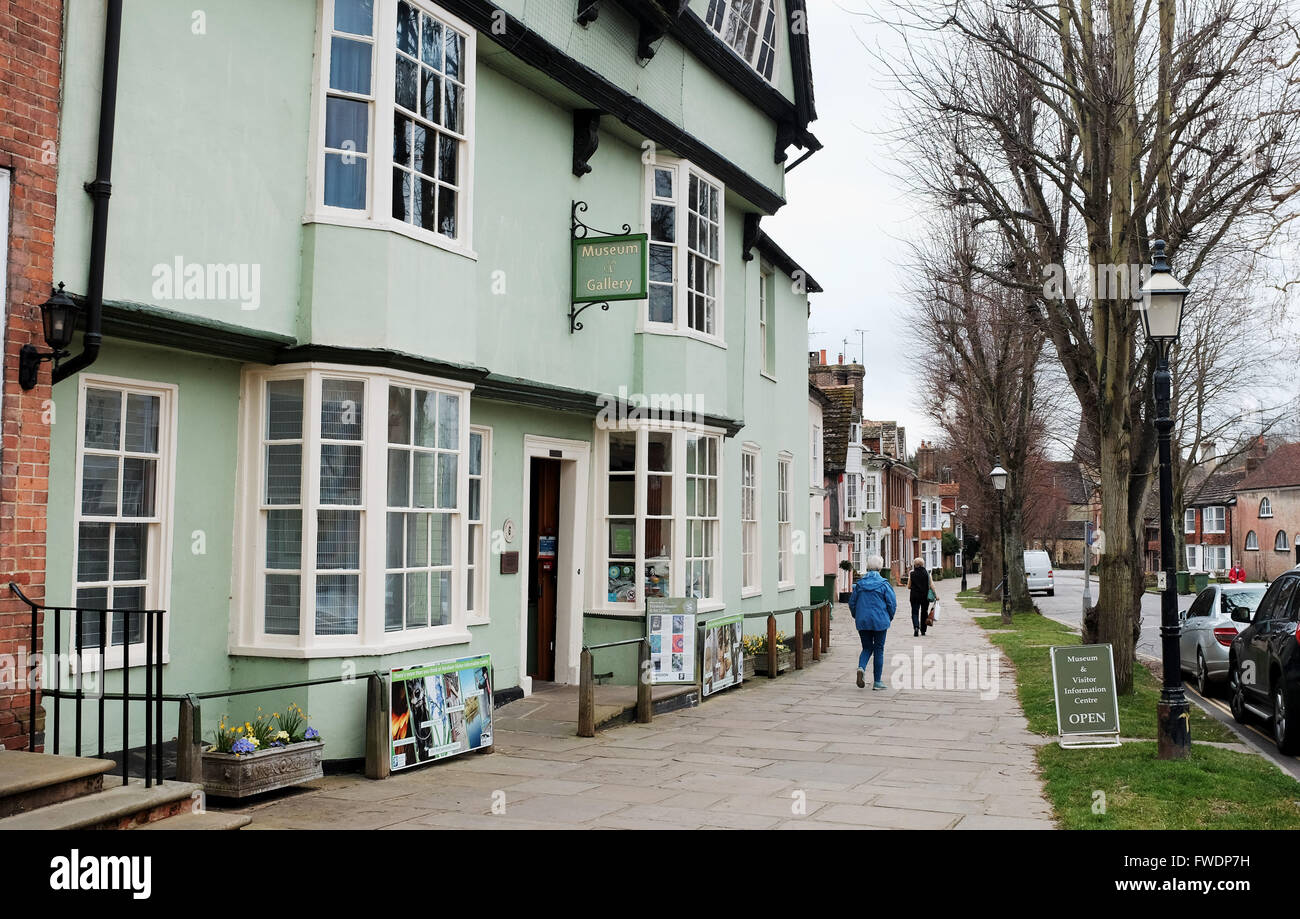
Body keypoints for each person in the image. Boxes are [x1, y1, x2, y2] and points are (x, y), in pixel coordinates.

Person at [849, 554, 896, 690]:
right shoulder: (884, 584)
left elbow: (852, 603)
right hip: (880, 621)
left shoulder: (859, 585)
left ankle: (861, 668)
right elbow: (891, 603)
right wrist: (889, 617)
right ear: (880, 567)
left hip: (863, 621)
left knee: (867, 647)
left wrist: (856, 615)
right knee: (879, 649)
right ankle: (877, 682)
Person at [909, 558, 931, 637]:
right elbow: (931, 585)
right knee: (924, 612)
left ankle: (916, 627)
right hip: (925, 596)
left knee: (915, 612)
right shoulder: (927, 573)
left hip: (914, 595)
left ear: (915, 565)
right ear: (923, 564)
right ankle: (923, 630)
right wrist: (936, 594)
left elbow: (909, 586)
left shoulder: (912, 573)